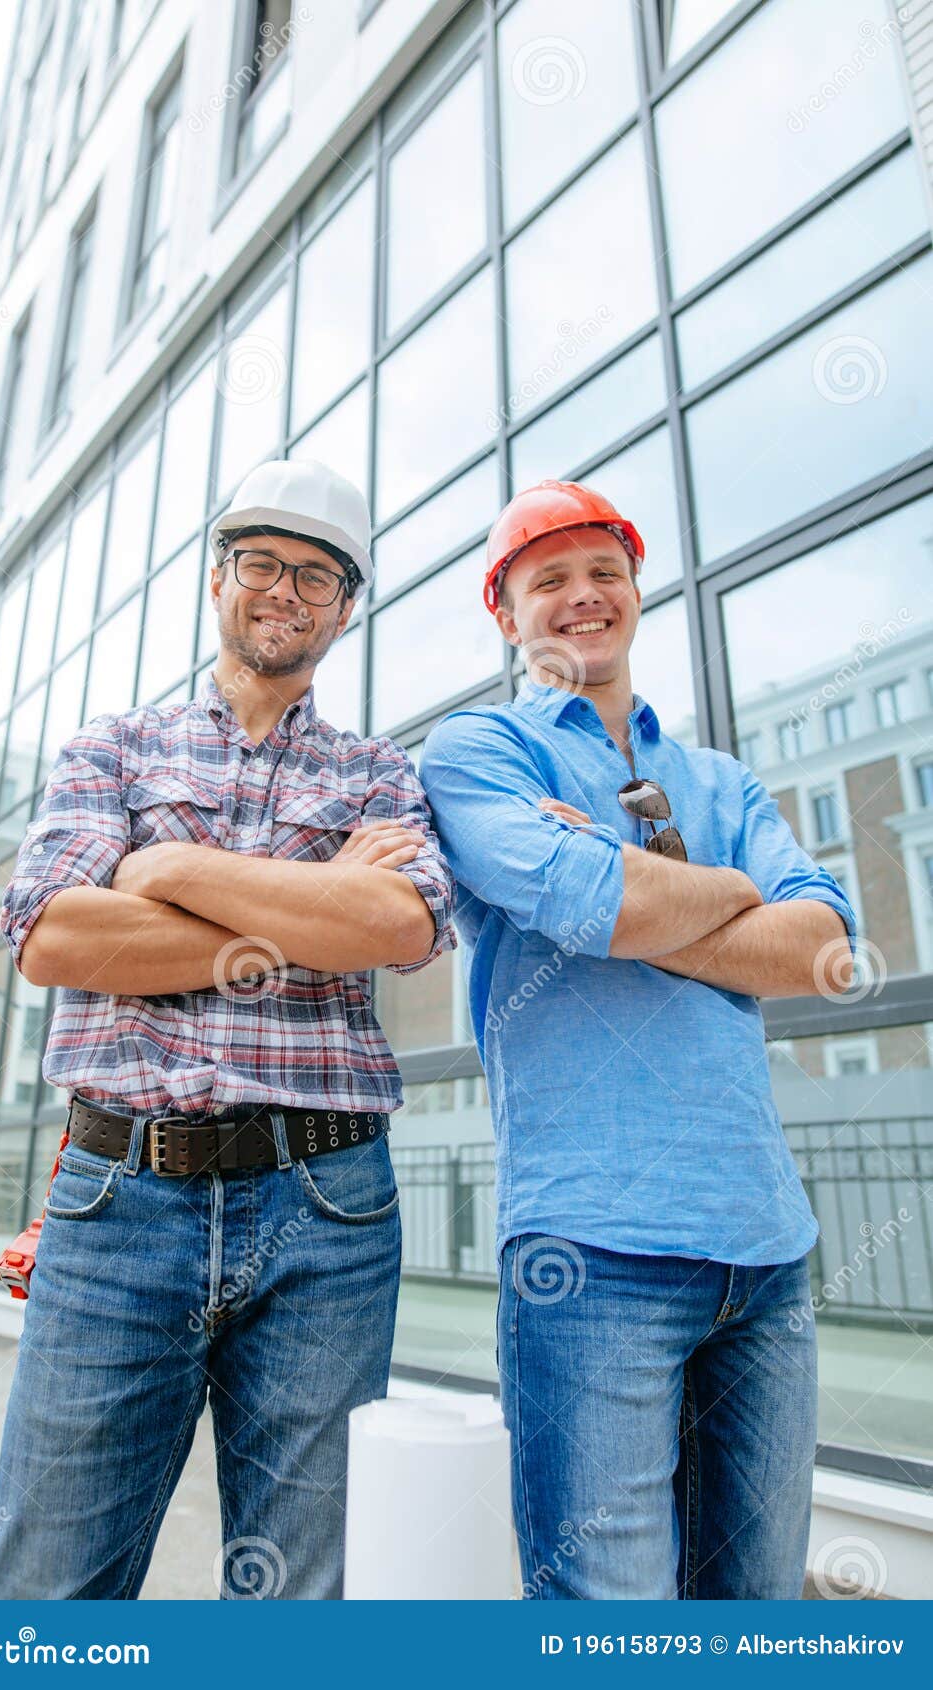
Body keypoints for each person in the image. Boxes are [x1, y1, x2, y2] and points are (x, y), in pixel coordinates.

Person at [0, 458, 455, 1601]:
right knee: (49, 1585)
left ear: (344, 609)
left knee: (302, 1597)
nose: (283, 589)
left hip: (327, 1206)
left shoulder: (379, 771)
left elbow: (395, 924)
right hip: (119, 1196)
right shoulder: (113, 747)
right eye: (260, 563)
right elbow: (53, 938)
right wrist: (310, 901)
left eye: (315, 574)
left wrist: (173, 870)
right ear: (217, 579)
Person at [419, 479, 857, 1601]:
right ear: (503, 613)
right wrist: (722, 894)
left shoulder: (719, 776)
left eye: (601, 571)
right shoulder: (474, 754)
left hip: (762, 1249)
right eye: (546, 579)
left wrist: (641, 893)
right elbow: (583, 901)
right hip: (591, 1252)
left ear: (635, 588)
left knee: (750, 1612)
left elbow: (822, 950)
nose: (581, 597)